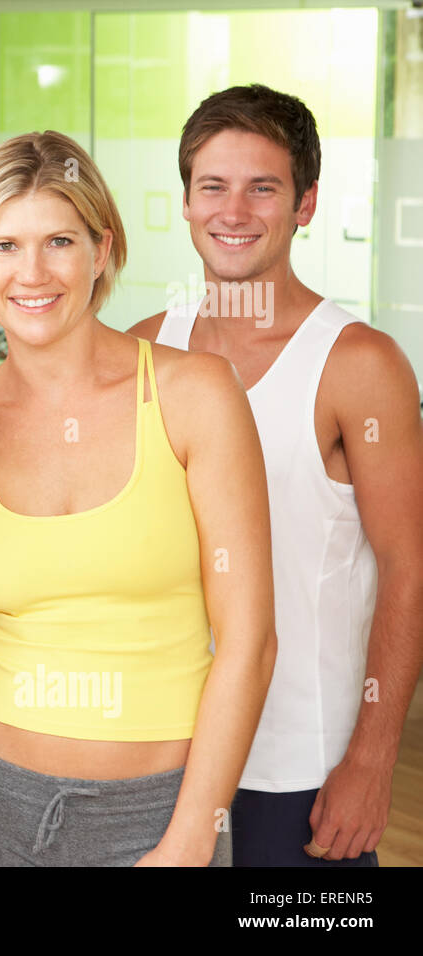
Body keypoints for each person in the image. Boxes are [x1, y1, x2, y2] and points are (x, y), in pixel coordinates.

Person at [0, 132, 277, 866]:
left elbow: (250, 643)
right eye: (6, 246)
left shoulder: (193, 394)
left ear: (102, 248)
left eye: (59, 241)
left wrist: (188, 839)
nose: (33, 273)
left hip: (155, 812)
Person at [129, 84, 423, 867]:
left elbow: (407, 566)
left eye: (264, 187)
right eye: (213, 187)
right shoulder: (149, 347)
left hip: (299, 764)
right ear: (186, 203)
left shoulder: (360, 364)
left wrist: (371, 758)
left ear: (306, 204)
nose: (234, 210)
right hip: (166, 748)